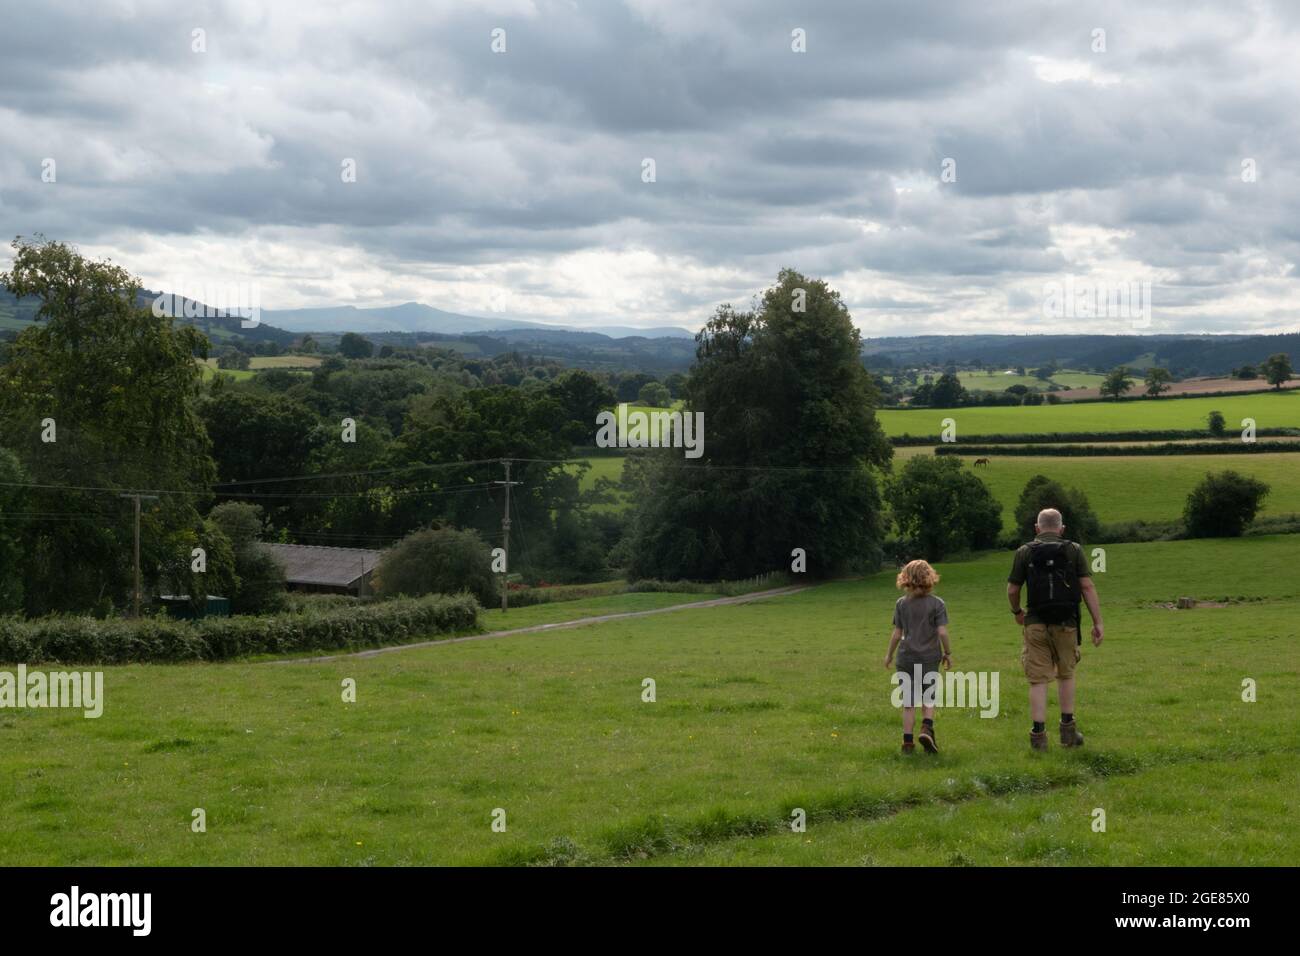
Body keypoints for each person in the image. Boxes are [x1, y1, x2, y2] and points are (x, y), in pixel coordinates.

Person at [1006, 508, 1104, 751]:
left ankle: (1038, 737)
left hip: (1036, 623)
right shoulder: (1074, 550)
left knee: (1038, 680)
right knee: (1066, 674)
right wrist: (1097, 622)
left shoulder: (1024, 552)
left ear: (1037, 528)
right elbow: (1087, 587)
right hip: (1066, 623)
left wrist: (1018, 612)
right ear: (1062, 529)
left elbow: (1012, 589)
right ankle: (1068, 732)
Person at [884, 559, 952, 753]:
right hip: (929, 658)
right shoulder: (937, 604)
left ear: (905, 578)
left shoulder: (901, 604)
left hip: (905, 658)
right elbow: (942, 632)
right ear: (930, 577)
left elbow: (897, 633)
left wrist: (889, 655)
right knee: (928, 698)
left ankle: (907, 742)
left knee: (908, 703)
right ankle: (926, 729)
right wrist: (947, 653)